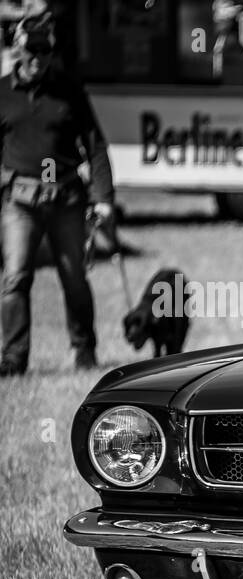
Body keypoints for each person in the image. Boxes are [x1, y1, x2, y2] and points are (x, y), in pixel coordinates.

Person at [0, 9, 114, 376]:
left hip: (66, 198)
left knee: (74, 277)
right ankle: (13, 360)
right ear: (18, 51)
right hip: (20, 201)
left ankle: (84, 353)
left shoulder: (69, 91)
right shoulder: (2, 94)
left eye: (45, 52)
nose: (38, 59)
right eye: (32, 52)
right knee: (16, 277)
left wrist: (103, 198)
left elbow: (95, 146)